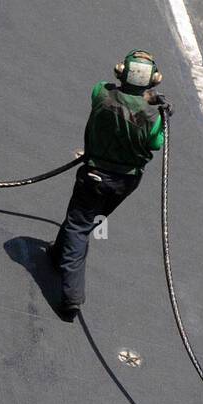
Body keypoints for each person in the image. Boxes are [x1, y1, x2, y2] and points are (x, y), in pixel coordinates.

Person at [49, 52, 169, 319]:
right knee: (85, 221)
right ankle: (58, 254)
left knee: (79, 226)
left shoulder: (100, 93)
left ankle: (71, 297)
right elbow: (156, 143)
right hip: (124, 182)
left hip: (94, 174)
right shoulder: (153, 118)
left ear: (121, 71)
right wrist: (154, 106)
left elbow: (111, 91)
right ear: (154, 81)